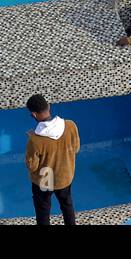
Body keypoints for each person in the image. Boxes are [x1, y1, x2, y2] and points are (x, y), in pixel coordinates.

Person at [23, 93, 80, 226]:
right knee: (67, 206)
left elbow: (32, 166)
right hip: (65, 176)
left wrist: (31, 139)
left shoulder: (35, 140)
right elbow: (76, 148)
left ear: (34, 115)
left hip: (45, 178)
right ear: (49, 106)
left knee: (43, 211)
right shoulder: (70, 125)